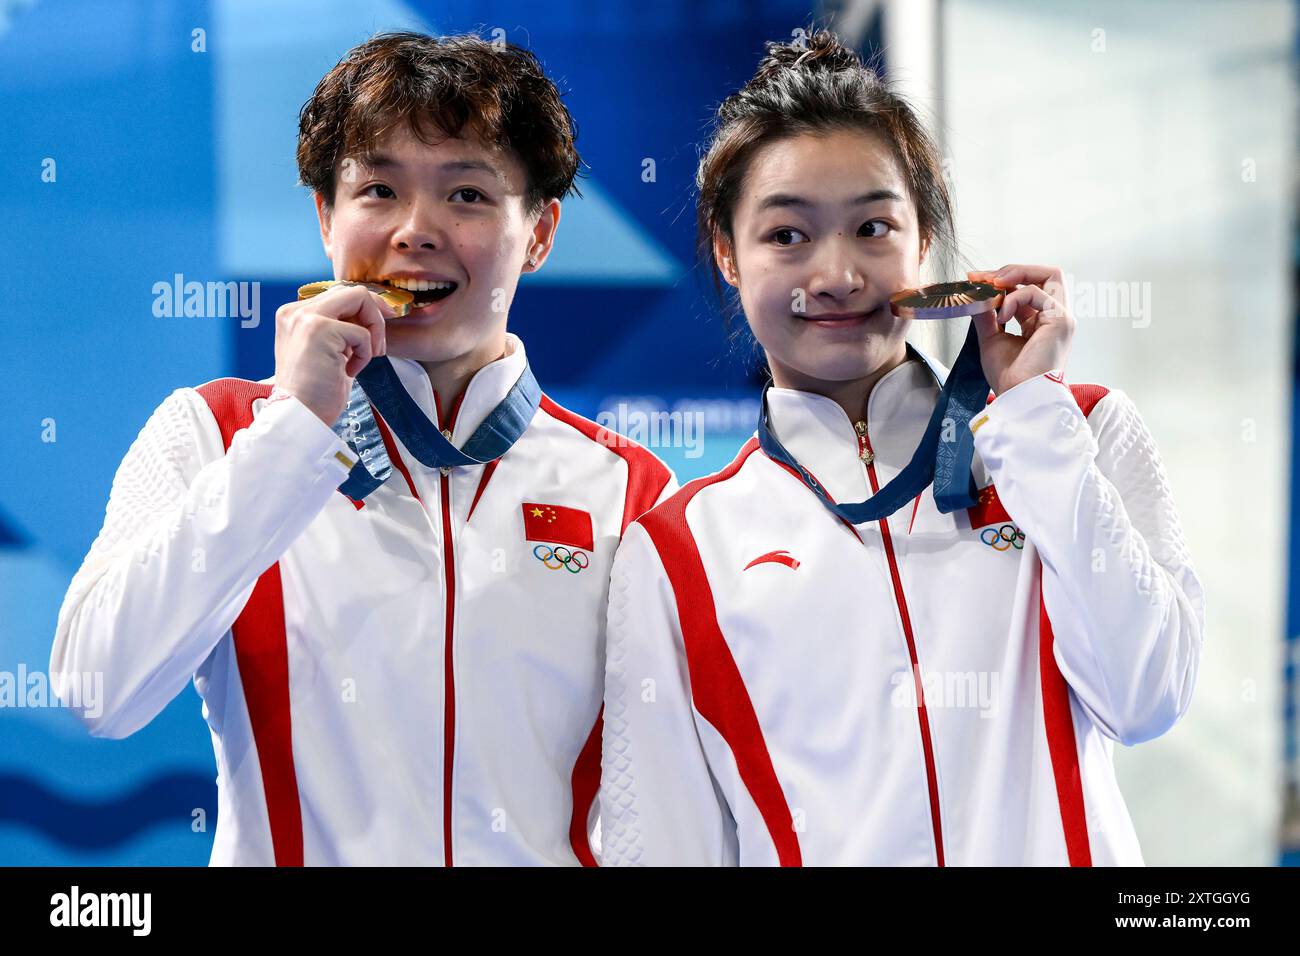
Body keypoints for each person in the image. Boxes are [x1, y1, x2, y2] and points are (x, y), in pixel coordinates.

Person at [50, 31, 675, 866]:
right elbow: (98, 691)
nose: (416, 231)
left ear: (540, 233)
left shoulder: (632, 491)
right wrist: (292, 436)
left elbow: (669, 804)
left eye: (468, 196)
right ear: (324, 217)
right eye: (378, 188)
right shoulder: (213, 433)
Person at [598, 29, 1204, 866]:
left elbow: (1148, 699)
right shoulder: (677, 552)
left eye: (873, 227)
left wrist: (1033, 418)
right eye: (786, 235)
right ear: (726, 254)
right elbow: (663, 844)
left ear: (924, 242)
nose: (837, 273)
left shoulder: (1080, 431)